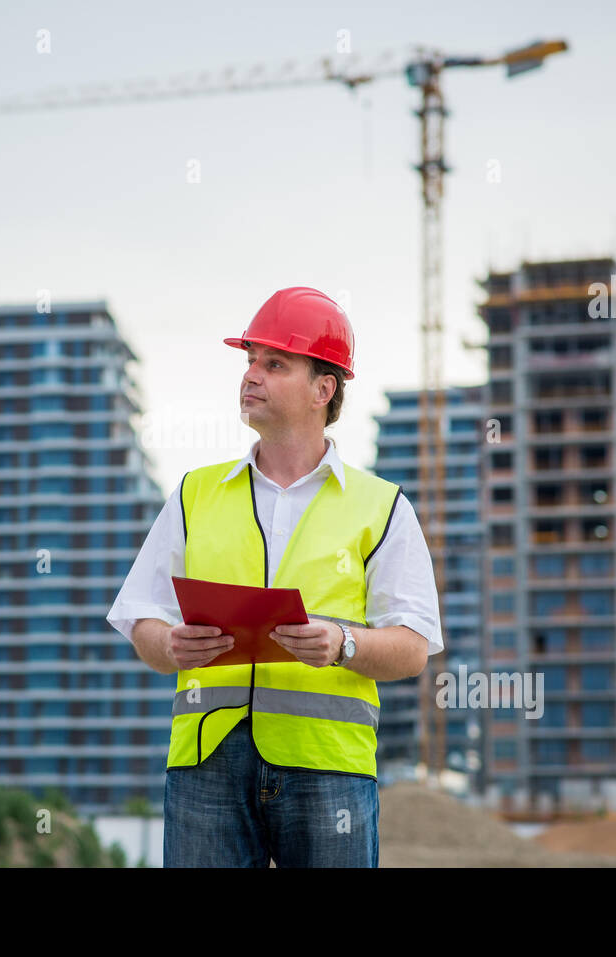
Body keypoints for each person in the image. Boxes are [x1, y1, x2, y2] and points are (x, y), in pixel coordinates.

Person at [106, 286, 443, 867]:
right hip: (207, 764)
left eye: (274, 363)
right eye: (250, 361)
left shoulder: (381, 506)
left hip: (328, 768)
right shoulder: (195, 493)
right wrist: (170, 643)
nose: (250, 376)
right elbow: (143, 621)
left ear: (323, 389)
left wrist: (344, 643)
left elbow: (413, 649)